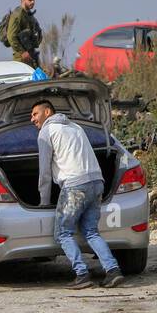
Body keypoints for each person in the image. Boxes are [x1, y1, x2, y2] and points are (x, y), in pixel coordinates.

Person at [30, 100, 123, 289]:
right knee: (90, 231)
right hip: (97, 182)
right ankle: (113, 271)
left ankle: (82, 274)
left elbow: (45, 172)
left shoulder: (46, 132)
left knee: (63, 232)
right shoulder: (75, 127)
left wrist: (43, 201)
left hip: (75, 186)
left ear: (47, 112)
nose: (32, 119)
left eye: (34, 114)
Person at [6, 0, 42, 67]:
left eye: (33, 0)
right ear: (23, 0)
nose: (32, 2)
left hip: (31, 54)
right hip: (21, 57)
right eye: (30, 0)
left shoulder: (30, 15)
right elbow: (11, 36)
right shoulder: (17, 15)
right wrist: (22, 52)